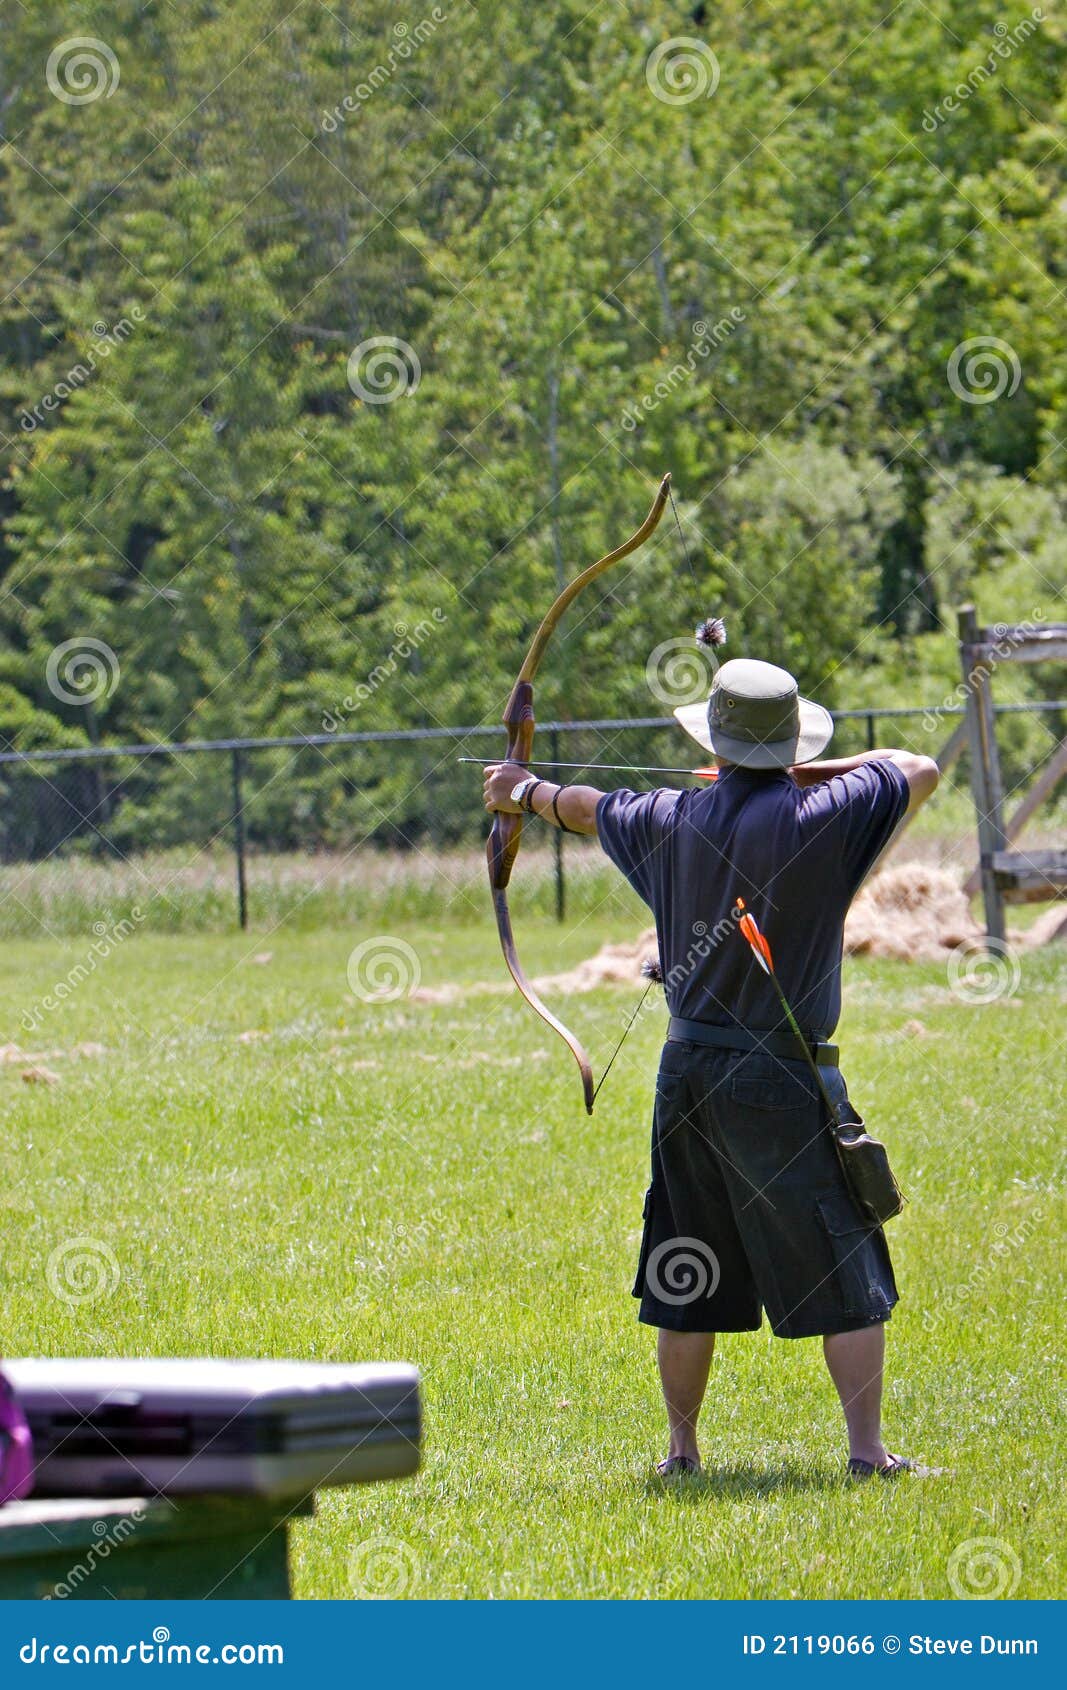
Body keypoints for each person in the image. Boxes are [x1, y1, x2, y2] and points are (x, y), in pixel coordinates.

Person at [484, 657, 940, 1481]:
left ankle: (681, 1453)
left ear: (714, 746)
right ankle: (867, 1454)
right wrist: (804, 770)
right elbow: (918, 767)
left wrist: (520, 792)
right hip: (780, 1073)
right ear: (790, 746)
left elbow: (585, 807)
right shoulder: (829, 813)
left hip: (686, 1070)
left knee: (683, 1252)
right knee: (842, 1252)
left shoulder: (668, 818)